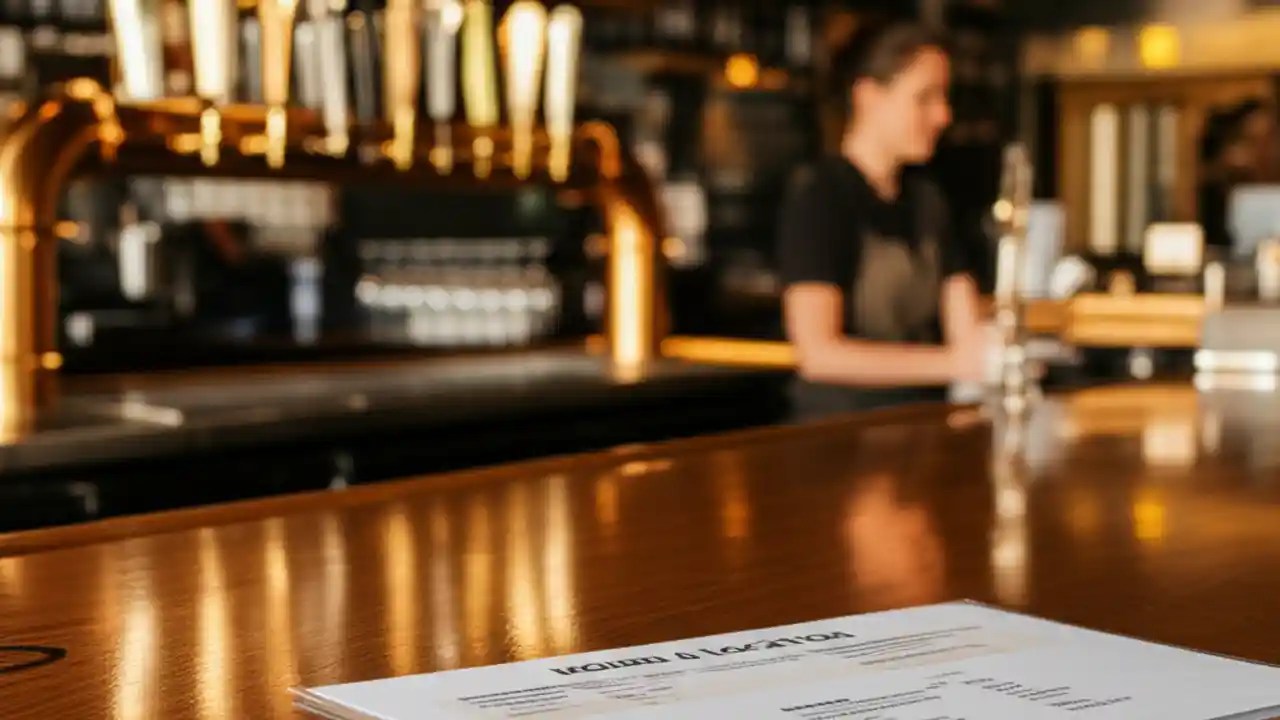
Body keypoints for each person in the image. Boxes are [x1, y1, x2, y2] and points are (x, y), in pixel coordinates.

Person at [775, 20, 987, 419]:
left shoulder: (929, 201)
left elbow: (967, 329)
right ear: (868, 97)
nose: (943, 116)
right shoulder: (822, 195)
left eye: (944, 98)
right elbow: (818, 353)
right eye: (925, 98)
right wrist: (955, 363)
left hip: (922, 433)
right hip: (837, 438)